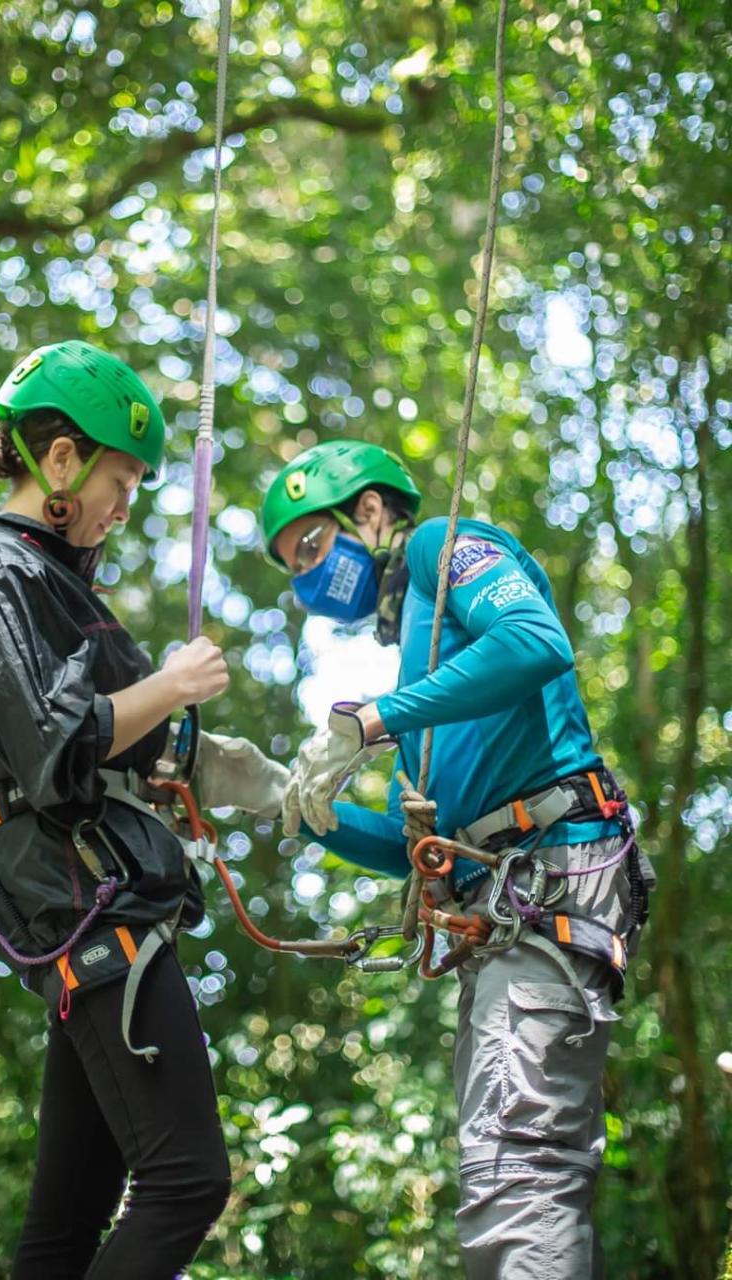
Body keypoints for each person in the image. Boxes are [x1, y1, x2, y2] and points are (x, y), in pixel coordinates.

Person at [0, 341, 288, 1279]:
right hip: (84, 897)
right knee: (187, 1182)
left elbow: (108, 744)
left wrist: (228, 773)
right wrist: (171, 682)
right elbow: (55, 750)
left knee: (69, 1222)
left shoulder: (52, 583)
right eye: (123, 479)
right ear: (62, 460)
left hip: (91, 891)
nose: (128, 504)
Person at [260, 438, 653, 1279]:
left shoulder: (441, 543)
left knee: (518, 1164)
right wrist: (280, 800)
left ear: (369, 513)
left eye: (313, 547)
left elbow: (533, 639)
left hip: (553, 868)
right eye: (292, 566)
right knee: (508, 1159)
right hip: (509, 896)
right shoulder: (424, 680)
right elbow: (423, 858)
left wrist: (373, 720)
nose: (305, 578)